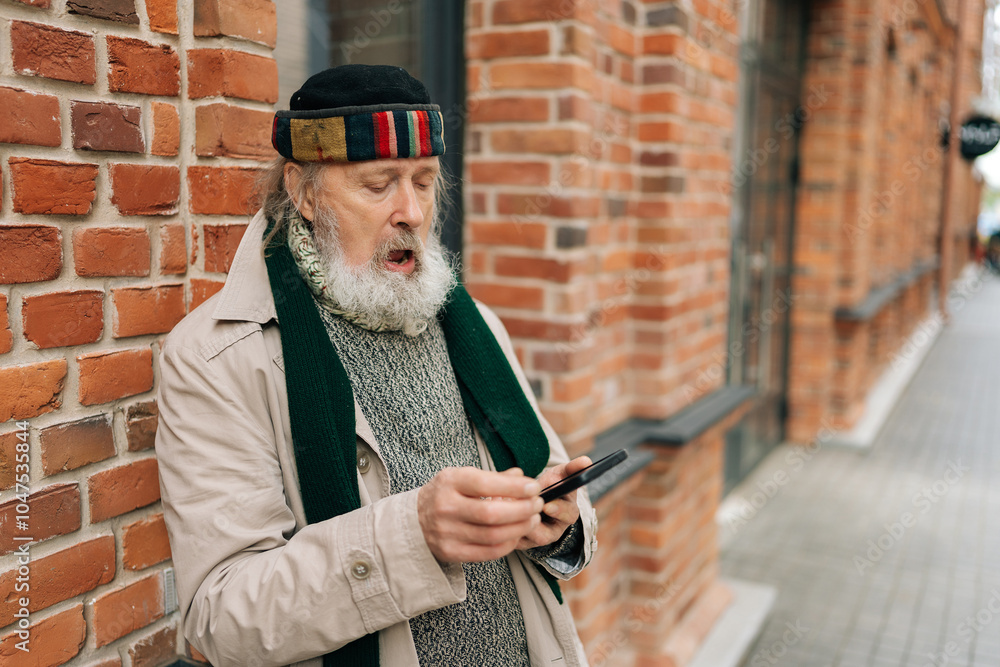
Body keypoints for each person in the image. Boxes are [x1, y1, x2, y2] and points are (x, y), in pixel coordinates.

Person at [154, 64, 598, 667]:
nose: (412, 212)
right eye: (378, 184)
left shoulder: (474, 323)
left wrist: (562, 521)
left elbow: (545, 470)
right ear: (304, 192)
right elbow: (220, 617)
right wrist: (413, 534)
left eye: (423, 181)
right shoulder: (213, 358)